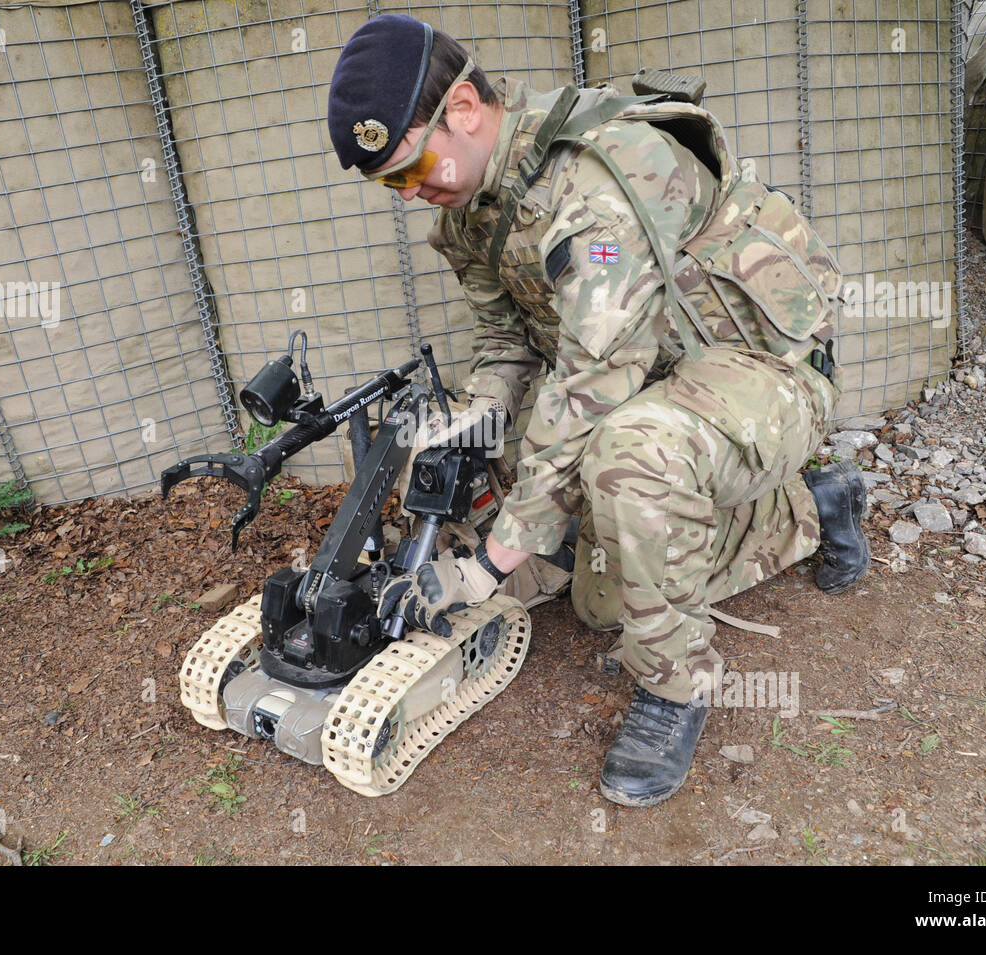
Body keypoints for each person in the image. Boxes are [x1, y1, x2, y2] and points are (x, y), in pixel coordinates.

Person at [326, 14, 869, 807]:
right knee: (594, 591)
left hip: (759, 375)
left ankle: (677, 682)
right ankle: (804, 507)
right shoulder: (470, 211)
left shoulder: (600, 183)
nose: (411, 194)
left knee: (630, 458)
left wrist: (490, 563)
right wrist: (470, 426)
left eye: (412, 167)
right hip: (652, 381)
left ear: (464, 109)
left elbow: (594, 378)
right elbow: (504, 340)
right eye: (390, 185)